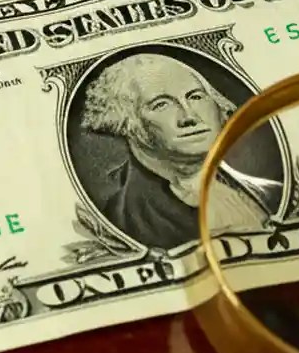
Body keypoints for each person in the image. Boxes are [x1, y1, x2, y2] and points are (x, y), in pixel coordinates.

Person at [81, 53, 281, 249]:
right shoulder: (127, 219)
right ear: (125, 124)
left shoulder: (264, 190)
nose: (189, 117)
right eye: (161, 105)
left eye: (195, 97)